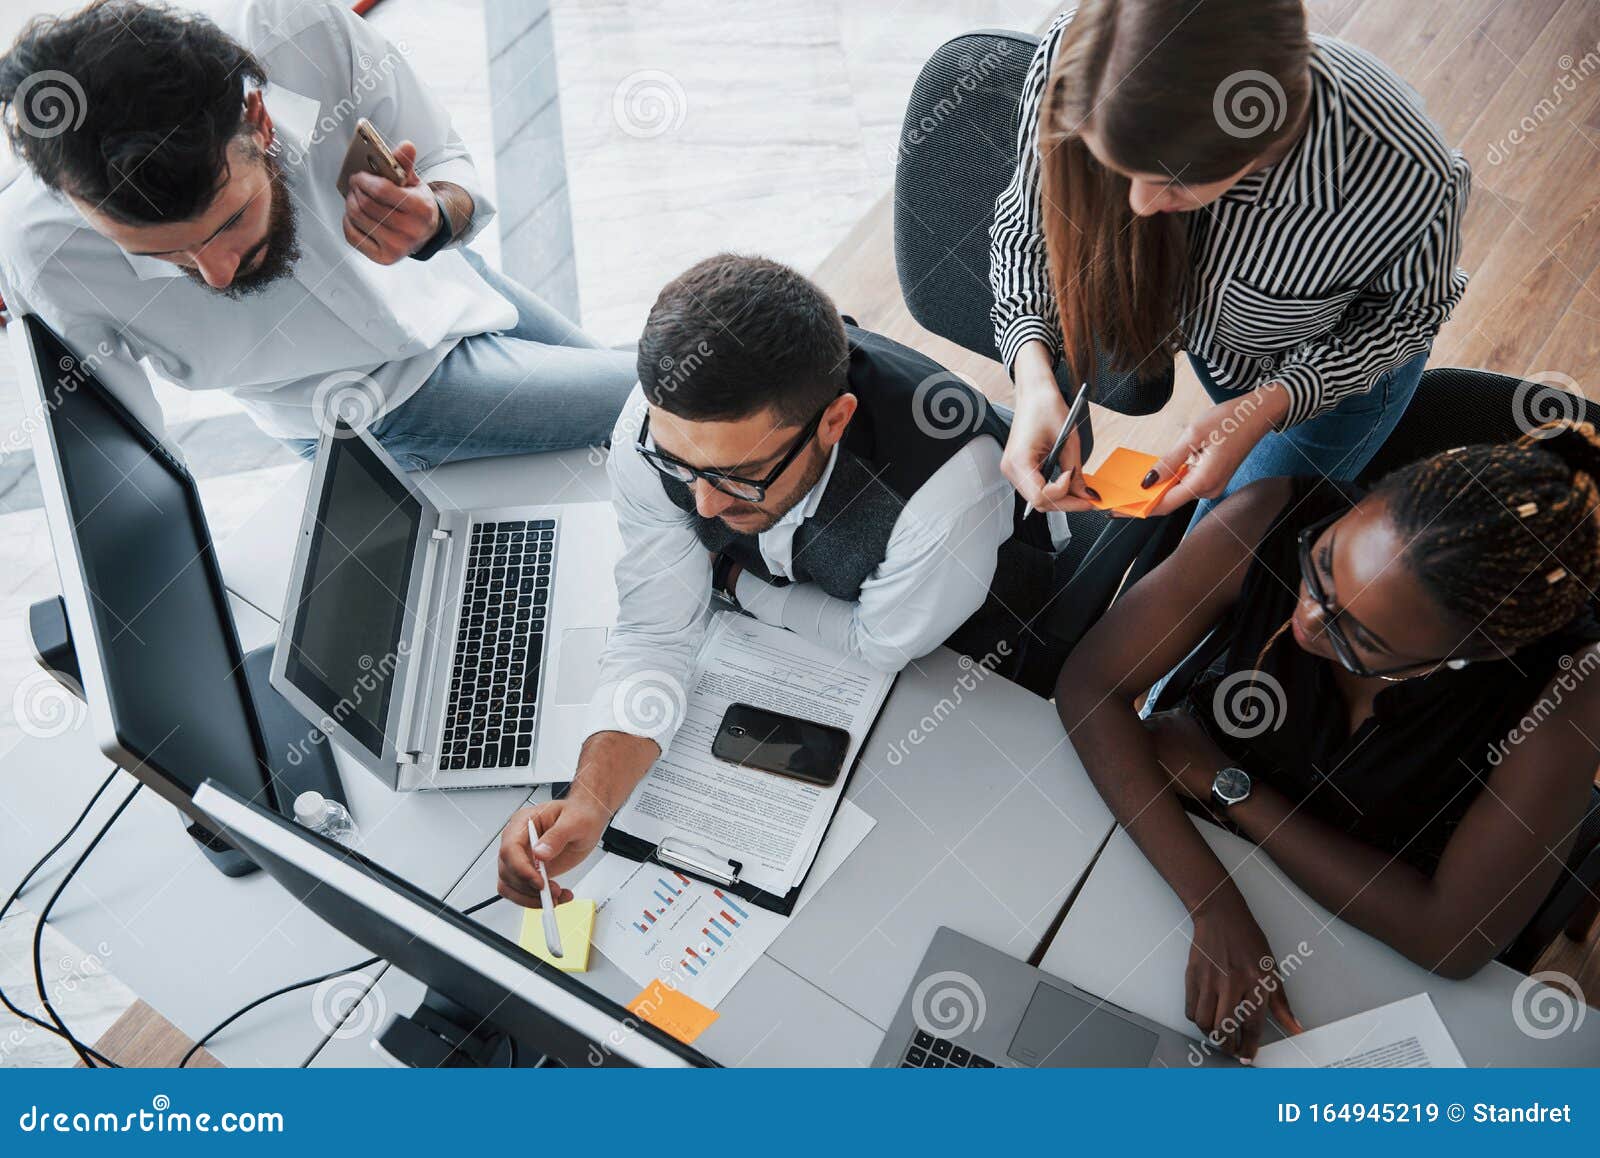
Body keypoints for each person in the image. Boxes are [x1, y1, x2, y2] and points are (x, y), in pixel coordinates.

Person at [495, 253, 1062, 908]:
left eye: (740, 476)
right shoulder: (659, 428)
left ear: (835, 420)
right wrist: (591, 801)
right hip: (798, 636)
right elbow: (655, 632)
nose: (704, 505)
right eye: (679, 466)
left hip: (971, 634)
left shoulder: (947, 493)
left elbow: (881, 643)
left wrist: (736, 584)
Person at [1054, 421, 1600, 1060]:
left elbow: (1451, 940)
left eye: (1359, 637)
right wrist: (1213, 904)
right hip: (1164, 854)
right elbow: (1090, 684)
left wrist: (1231, 787)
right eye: (1320, 565)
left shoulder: (1564, 694)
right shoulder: (1273, 512)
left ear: (1476, 653)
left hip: (1357, 952)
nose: (1307, 619)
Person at [0, 0, 634, 469]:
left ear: (258, 121)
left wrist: (438, 215)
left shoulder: (299, 33)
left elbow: (445, 159)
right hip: (365, 411)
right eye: (162, 256)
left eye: (230, 221)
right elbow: (127, 450)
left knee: (662, 403)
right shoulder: (42, 253)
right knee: (658, 406)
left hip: (450, 287)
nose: (217, 272)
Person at [990, 0, 1469, 519]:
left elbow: (1409, 316)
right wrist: (1033, 379)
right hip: (1231, 351)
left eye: (1173, 182)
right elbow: (1028, 227)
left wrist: (1265, 407)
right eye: (1117, 170)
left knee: (1223, 553)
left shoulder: (1404, 171)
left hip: (1333, 381)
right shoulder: (1081, 59)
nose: (1139, 206)